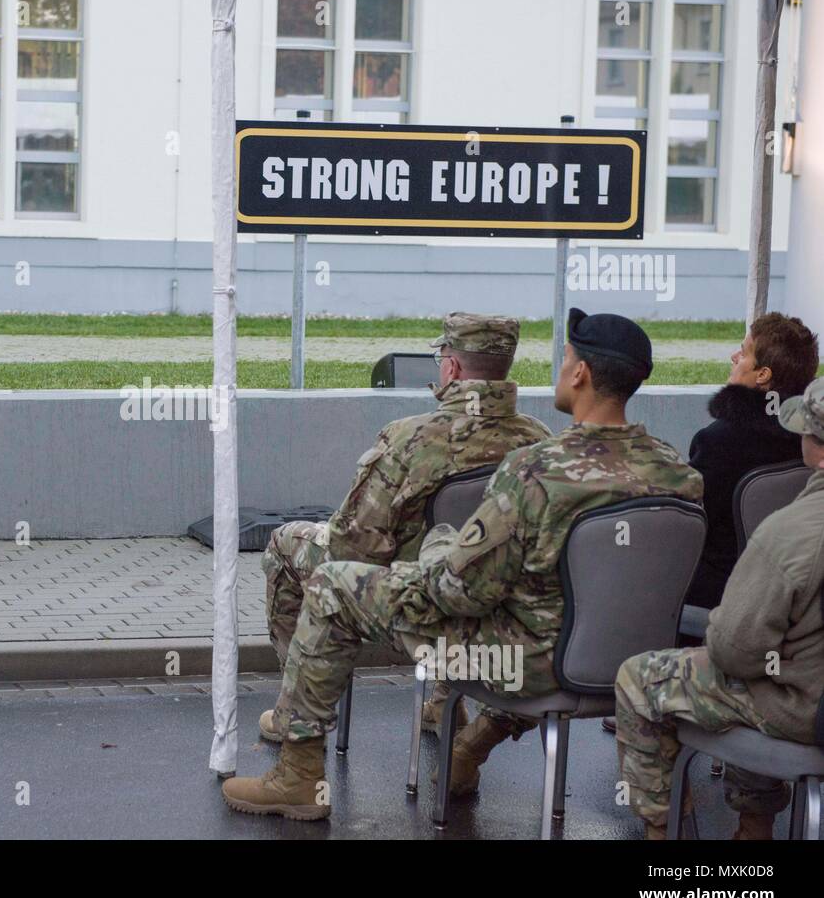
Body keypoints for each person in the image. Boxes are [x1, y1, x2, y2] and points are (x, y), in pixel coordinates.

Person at [221, 309, 703, 820]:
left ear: (580, 374)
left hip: (523, 668)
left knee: (333, 585)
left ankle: (298, 774)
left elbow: (459, 591)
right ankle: (470, 742)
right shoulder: (678, 473)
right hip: (630, 669)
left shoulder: (535, 470)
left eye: (566, 361)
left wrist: (436, 550)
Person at [259, 313, 550, 742]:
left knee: (284, 544)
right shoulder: (539, 442)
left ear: (450, 367)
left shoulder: (410, 438)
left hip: (416, 605)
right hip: (499, 610)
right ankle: (443, 704)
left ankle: (297, 712)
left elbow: (353, 546)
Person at [616, 376, 824, 840]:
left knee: (640, 679)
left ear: (815, 446)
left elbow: (735, 651)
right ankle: (752, 827)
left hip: (805, 710)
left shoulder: (790, 532)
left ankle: (666, 831)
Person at [686, 313, 818, 609]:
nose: (734, 356)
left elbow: (693, 528)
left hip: (724, 595)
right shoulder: (811, 443)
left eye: (743, 352)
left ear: (763, 375)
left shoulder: (717, 442)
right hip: (801, 596)